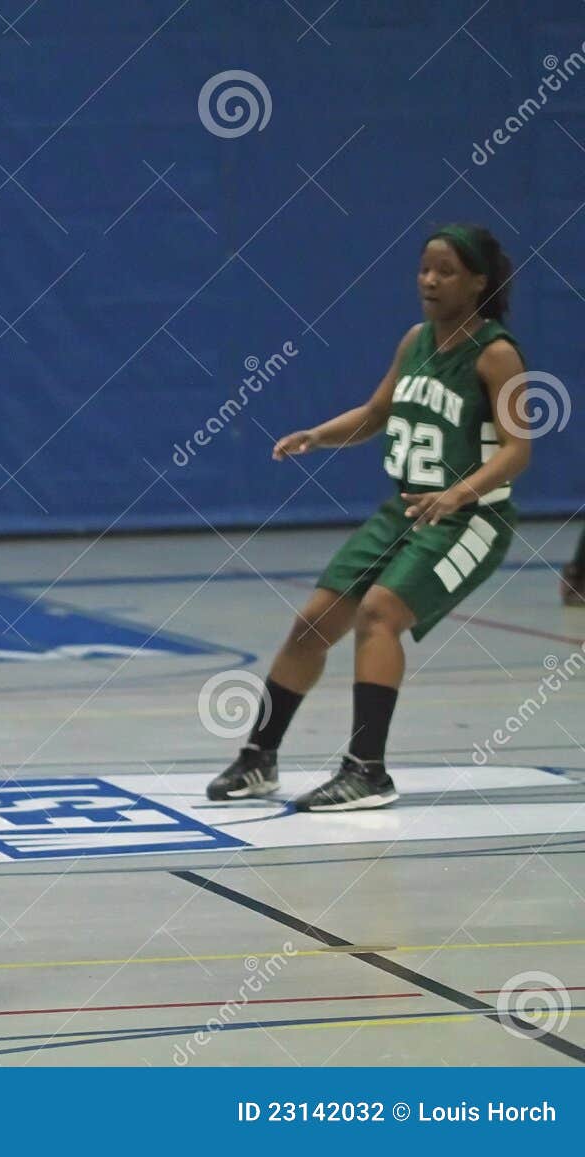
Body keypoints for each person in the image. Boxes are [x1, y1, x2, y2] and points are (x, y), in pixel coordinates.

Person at [208, 224, 531, 811]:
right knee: (312, 623)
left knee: (379, 615)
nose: (429, 280)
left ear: (478, 282)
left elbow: (518, 449)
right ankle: (259, 759)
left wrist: (459, 494)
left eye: (446, 271)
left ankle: (367, 771)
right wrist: (320, 435)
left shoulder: (497, 354)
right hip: (406, 510)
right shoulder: (415, 341)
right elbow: (379, 412)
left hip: (471, 520)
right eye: (424, 269)